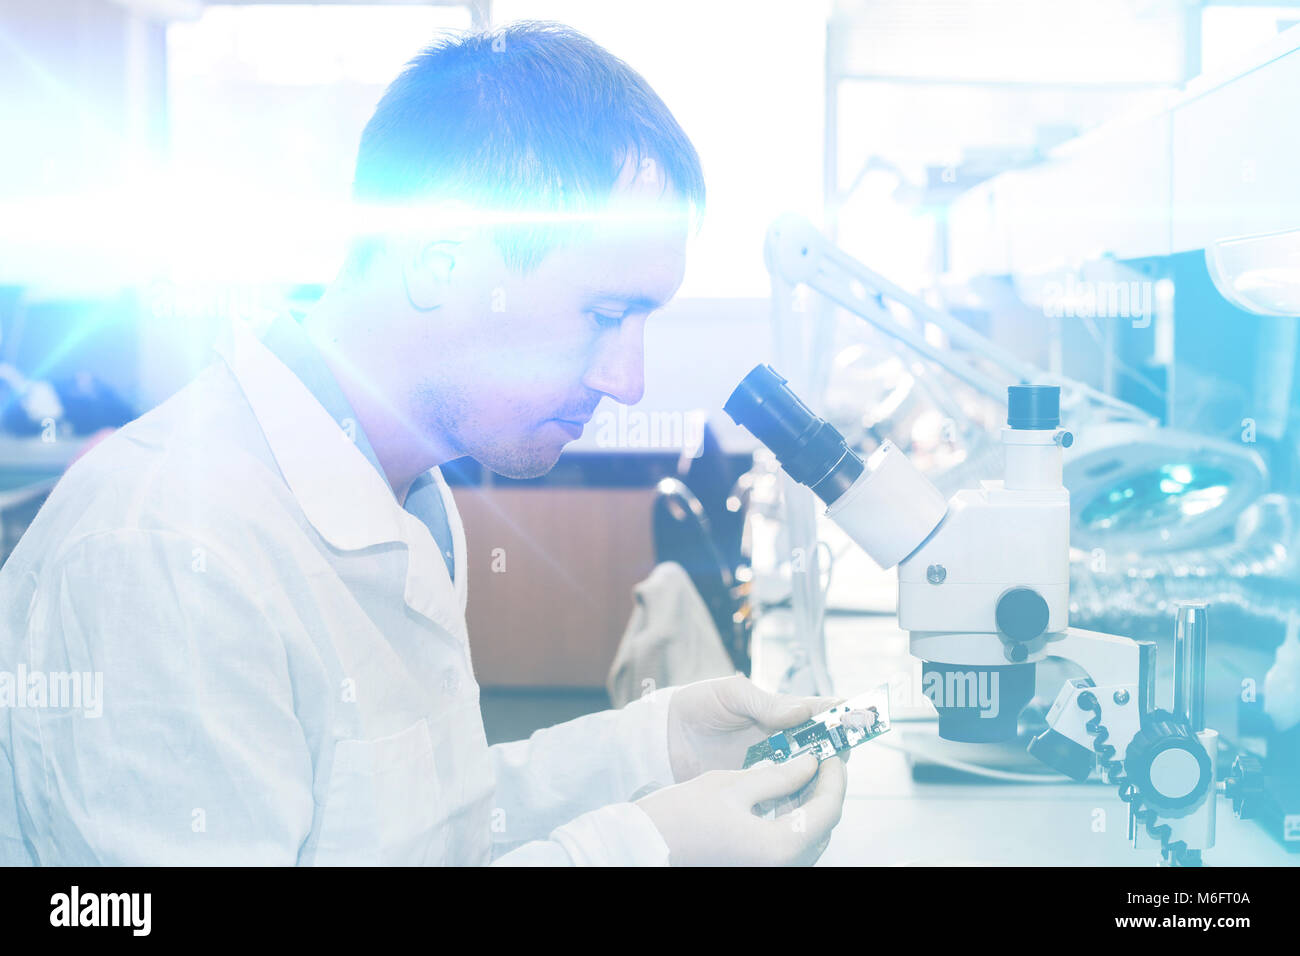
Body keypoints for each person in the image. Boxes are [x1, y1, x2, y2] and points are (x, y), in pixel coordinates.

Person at [0, 21, 847, 866]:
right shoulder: (169, 551)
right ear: (440, 261)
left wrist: (653, 751)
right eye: (604, 316)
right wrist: (639, 851)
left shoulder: (408, 493)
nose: (629, 380)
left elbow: (419, 825)